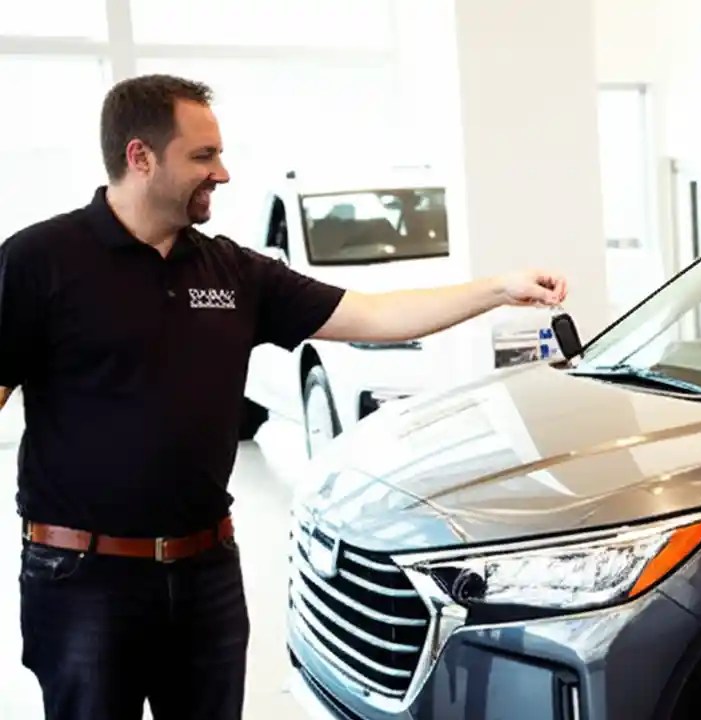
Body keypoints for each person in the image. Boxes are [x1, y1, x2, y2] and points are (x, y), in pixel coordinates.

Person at [0, 74, 568, 720]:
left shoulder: (231, 272)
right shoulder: (39, 262)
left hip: (204, 571)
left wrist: (497, 290)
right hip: (83, 582)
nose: (224, 173)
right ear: (140, 157)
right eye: (203, 156)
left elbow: (374, 314)